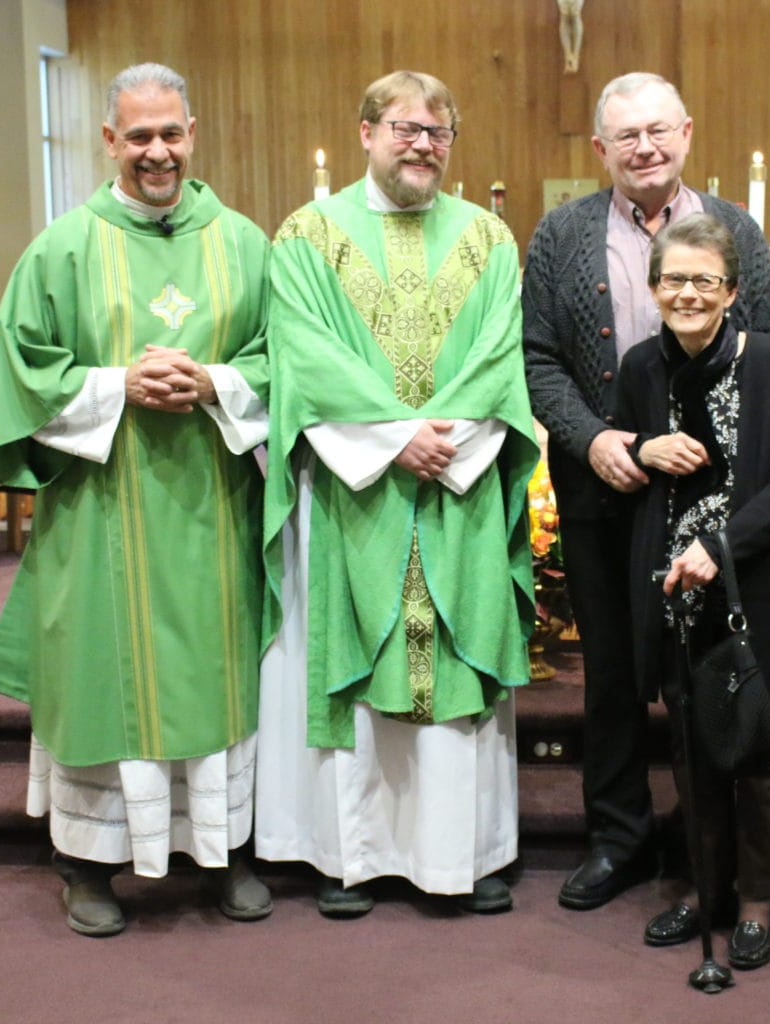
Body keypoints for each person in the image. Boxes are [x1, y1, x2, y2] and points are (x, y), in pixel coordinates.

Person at [522, 70, 770, 915]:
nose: (645, 147)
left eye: (659, 130)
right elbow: (540, 357)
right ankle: (619, 837)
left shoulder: (735, 230)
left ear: (687, 132)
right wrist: (596, 440)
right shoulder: (561, 233)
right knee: (618, 673)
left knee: (719, 670)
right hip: (606, 493)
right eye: (627, 136)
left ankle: (718, 857)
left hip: (718, 500)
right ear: (601, 150)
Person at [0, 63, 274, 937]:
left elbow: (286, 357)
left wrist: (215, 382)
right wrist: (116, 385)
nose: (157, 152)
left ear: (194, 133)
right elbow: (20, 369)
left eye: (171, 132)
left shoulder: (245, 244)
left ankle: (228, 852)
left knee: (220, 680)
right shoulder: (62, 247)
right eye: (138, 135)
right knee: (105, 676)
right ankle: (88, 865)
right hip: (102, 508)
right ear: (109, 141)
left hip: (211, 509)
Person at [255, 70, 537, 917]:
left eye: (438, 132)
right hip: (356, 488)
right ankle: (352, 857)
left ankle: (464, 855)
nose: (423, 145)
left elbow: (499, 355)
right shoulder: (306, 235)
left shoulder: (489, 238)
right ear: (367, 131)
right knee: (357, 664)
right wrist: (391, 438)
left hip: (459, 479)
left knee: (457, 649)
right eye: (406, 128)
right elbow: (303, 353)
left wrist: (440, 441)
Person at [617, 214, 770, 970]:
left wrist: (718, 547)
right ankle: (704, 891)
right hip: (673, 593)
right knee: (692, 753)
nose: (689, 293)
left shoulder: (769, 361)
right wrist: (642, 447)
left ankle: (761, 901)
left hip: (758, 589)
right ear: (653, 288)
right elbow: (623, 469)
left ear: (734, 290)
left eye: (705, 280)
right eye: (674, 279)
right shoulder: (640, 368)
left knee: (759, 756)